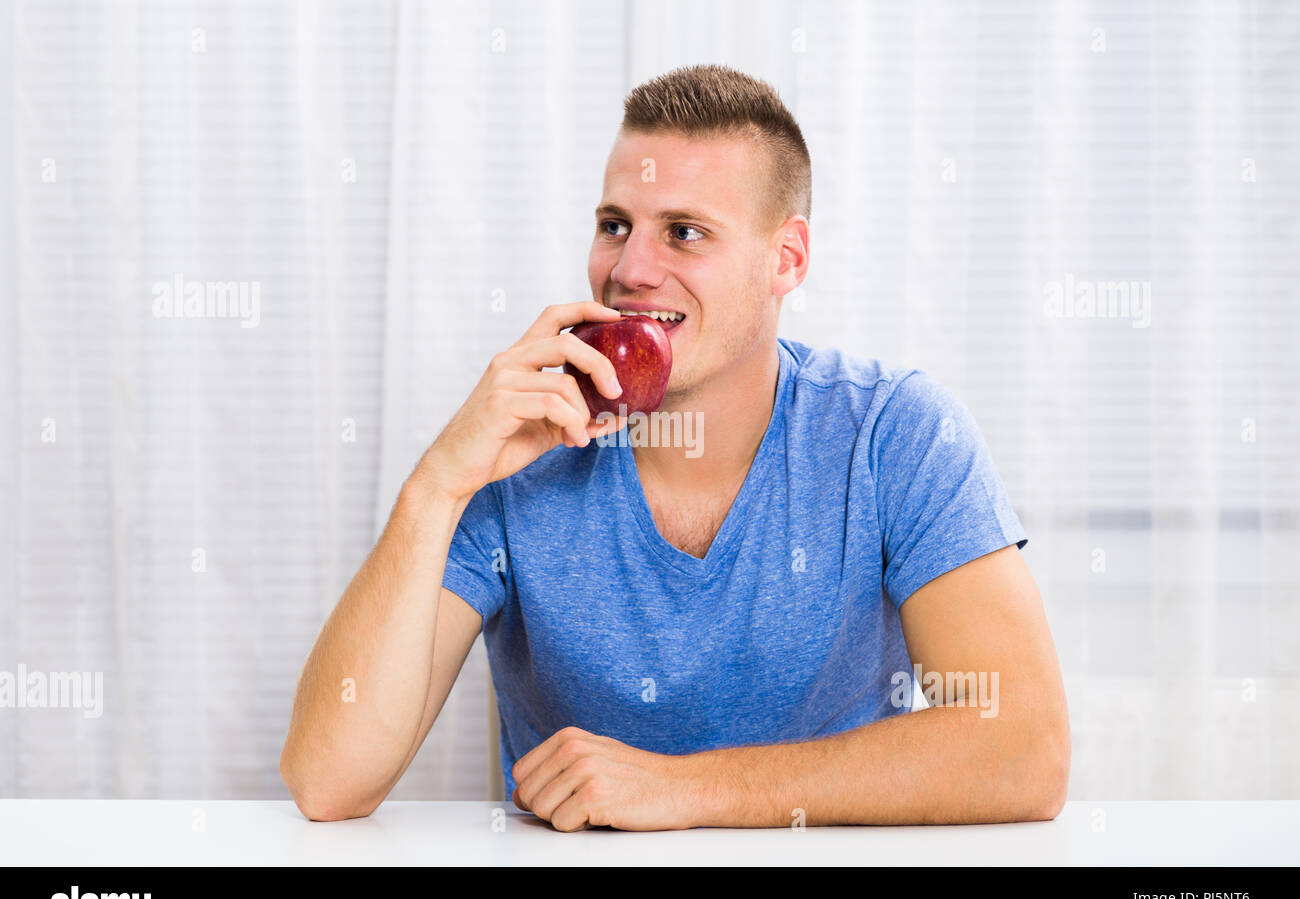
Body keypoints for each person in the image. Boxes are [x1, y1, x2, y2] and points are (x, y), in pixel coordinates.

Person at [280, 64, 1070, 830]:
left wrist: (684, 791)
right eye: (614, 225)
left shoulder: (894, 435)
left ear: (786, 258)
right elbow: (329, 782)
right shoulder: (515, 448)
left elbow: (1023, 749)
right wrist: (438, 486)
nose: (628, 270)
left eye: (684, 233)